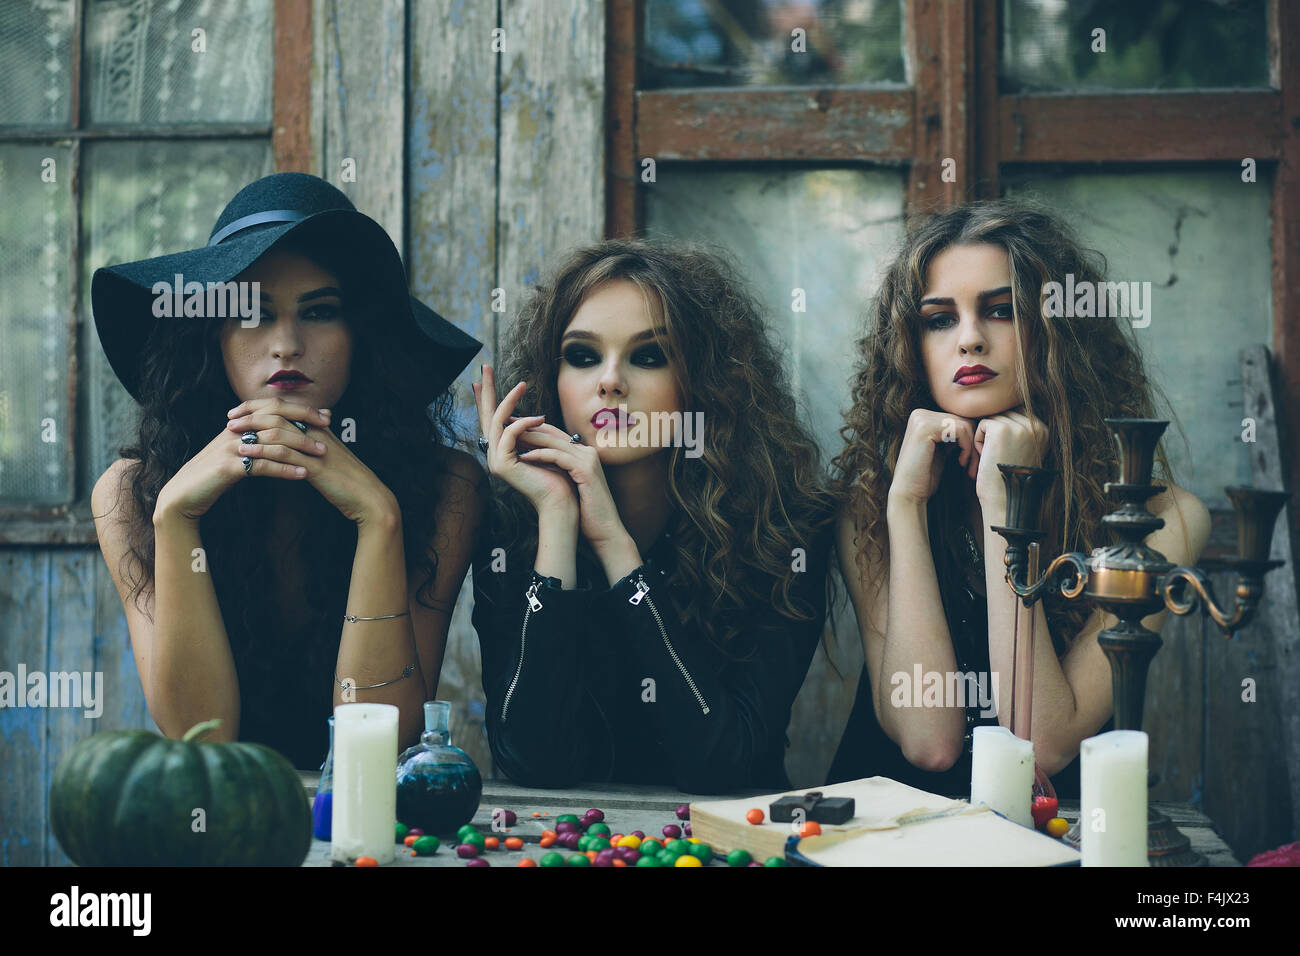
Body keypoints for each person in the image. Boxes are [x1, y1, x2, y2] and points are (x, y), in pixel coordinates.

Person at [90, 172, 484, 767]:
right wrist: (176, 518)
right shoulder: (133, 494)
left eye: (320, 312)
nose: (286, 344)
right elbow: (202, 739)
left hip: (370, 825)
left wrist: (377, 519)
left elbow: (379, 742)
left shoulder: (447, 486)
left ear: (362, 337)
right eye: (252, 313)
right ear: (212, 336)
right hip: (218, 828)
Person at [828, 199, 1210, 797]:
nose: (970, 340)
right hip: (882, 839)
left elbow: (1040, 744)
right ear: (911, 345)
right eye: (939, 319)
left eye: (1001, 312)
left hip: (1056, 838)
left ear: (1059, 330)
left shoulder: (1163, 520)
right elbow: (929, 745)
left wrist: (1009, 506)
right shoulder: (873, 506)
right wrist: (905, 508)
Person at [471, 239, 837, 792]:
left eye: (649, 356)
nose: (610, 381)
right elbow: (534, 762)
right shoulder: (511, 520)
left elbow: (722, 763)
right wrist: (556, 516)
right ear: (553, 377)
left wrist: (616, 546)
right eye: (583, 355)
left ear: (704, 380)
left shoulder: (784, 527)